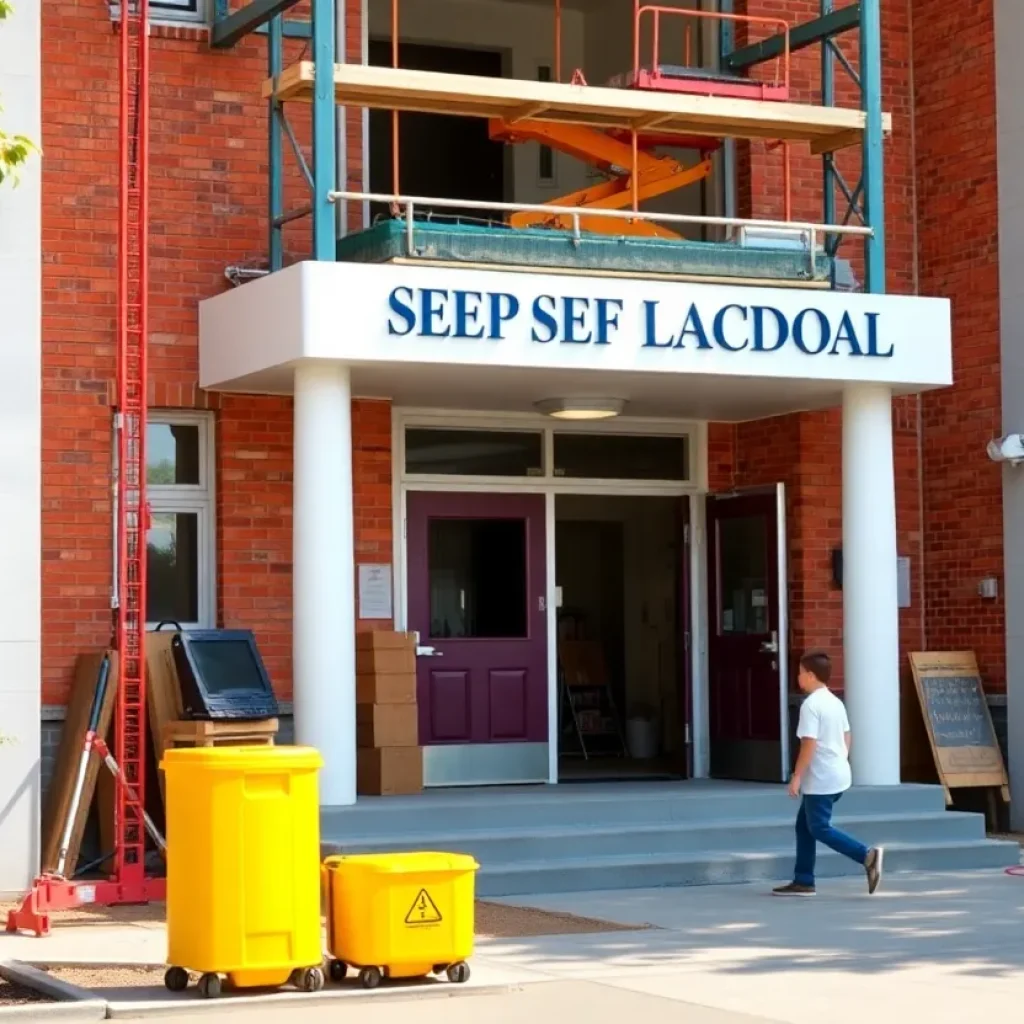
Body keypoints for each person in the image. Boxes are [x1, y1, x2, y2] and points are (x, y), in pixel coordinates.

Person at [773, 650, 884, 897]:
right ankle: (803, 880)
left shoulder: (811, 705)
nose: (798, 678)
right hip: (838, 775)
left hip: (821, 779)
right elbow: (847, 734)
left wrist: (796, 776)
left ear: (811, 675)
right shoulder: (835, 701)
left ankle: (867, 856)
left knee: (819, 827)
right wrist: (839, 758)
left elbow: (808, 743)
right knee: (805, 827)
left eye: (800, 673)